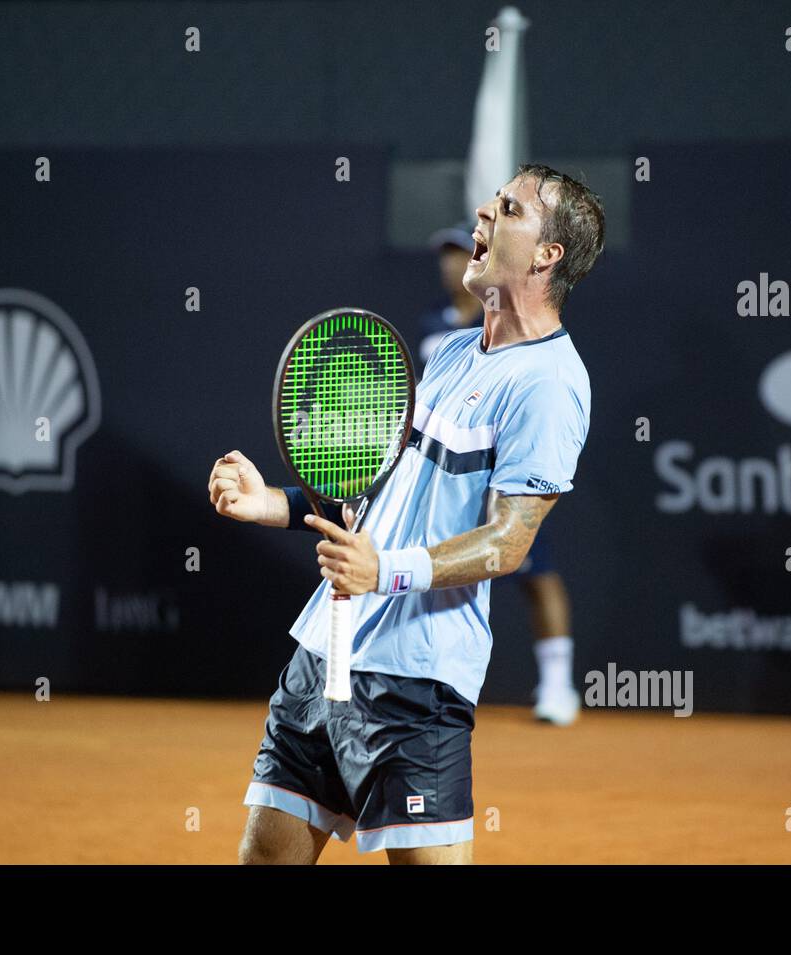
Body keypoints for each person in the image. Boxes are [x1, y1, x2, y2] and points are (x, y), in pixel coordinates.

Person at [208, 164, 605, 864]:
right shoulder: (450, 352)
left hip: (417, 685)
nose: (482, 212)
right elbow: (372, 490)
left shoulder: (552, 384)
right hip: (325, 653)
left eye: (507, 208)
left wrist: (383, 572)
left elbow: (511, 543)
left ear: (548, 254)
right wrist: (269, 503)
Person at [419, 222, 581, 726]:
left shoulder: (528, 345)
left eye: (460, 252)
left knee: (533, 571)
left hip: (502, 470)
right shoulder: (439, 333)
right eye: (446, 255)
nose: (452, 262)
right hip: (445, 475)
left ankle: (557, 687)